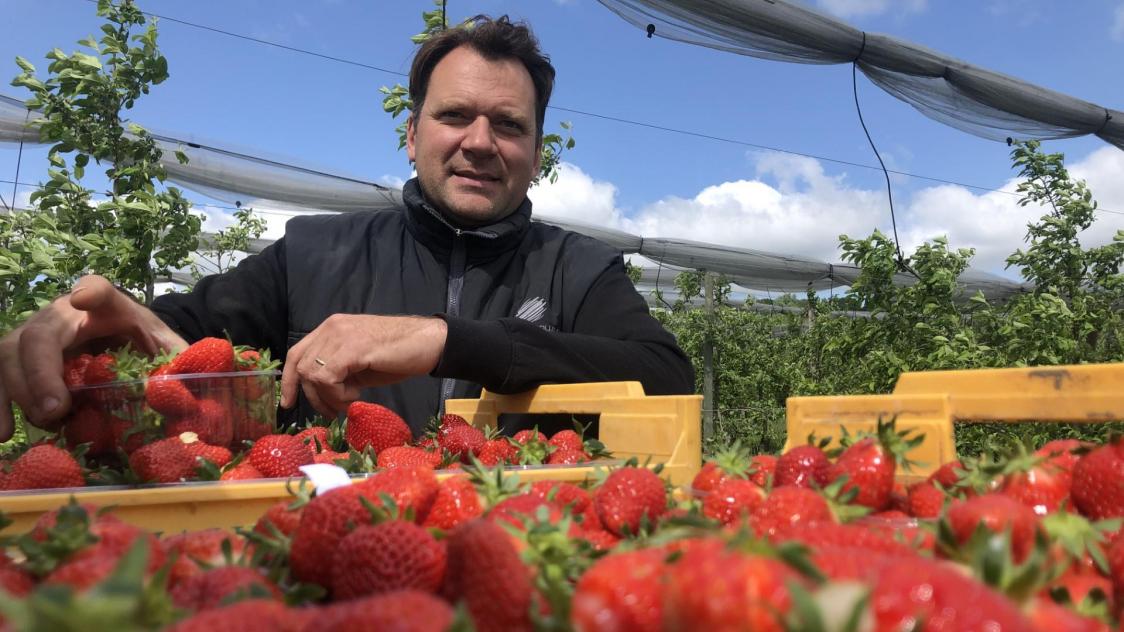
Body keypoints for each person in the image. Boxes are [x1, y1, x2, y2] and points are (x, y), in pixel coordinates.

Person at [0, 16, 694, 439]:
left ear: (535, 156)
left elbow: (665, 376)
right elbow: (180, 330)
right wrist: (100, 330)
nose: (481, 141)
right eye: (455, 116)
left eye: (509, 125)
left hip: (522, 567)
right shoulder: (313, 253)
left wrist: (444, 340)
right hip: (331, 579)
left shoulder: (577, 269)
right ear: (412, 134)